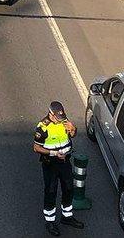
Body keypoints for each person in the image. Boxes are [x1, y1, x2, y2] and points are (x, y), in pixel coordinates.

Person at [34, 101, 84, 235]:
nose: (60, 119)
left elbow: (72, 134)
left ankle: (67, 216)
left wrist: (73, 128)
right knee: (51, 191)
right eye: (57, 117)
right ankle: (50, 221)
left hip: (65, 161)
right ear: (51, 114)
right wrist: (54, 153)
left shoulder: (64, 121)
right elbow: (36, 147)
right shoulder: (42, 127)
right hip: (51, 163)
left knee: (68, 188)